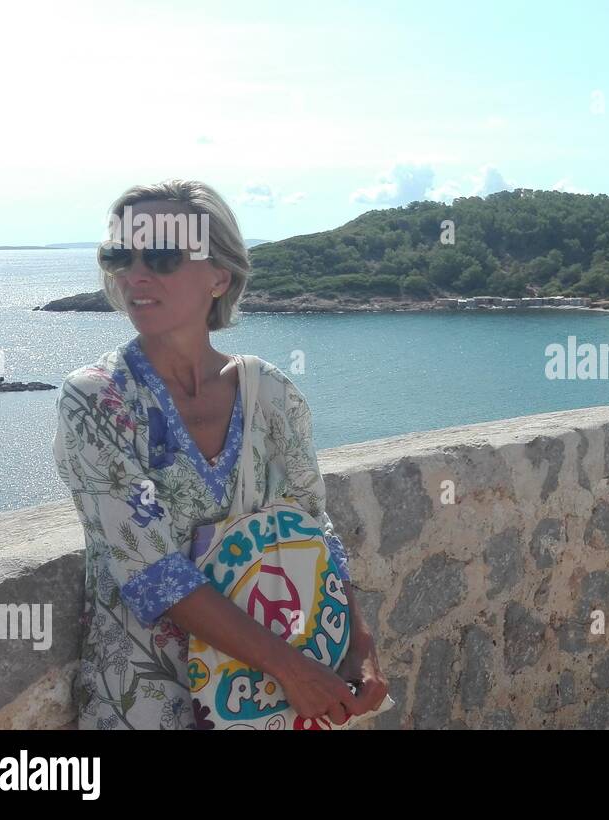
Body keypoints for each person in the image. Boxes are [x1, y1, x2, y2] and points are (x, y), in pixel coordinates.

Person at [52, 180, 389, 729]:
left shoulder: (271, 393)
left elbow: (314, 528)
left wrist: (360, 639)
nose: (135, 273)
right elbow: (152, 571)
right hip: (150, 704)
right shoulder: (98, 399)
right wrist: (292, 671)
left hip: (273, 703)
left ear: (219, 276)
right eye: (119, 254)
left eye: (161, 255)